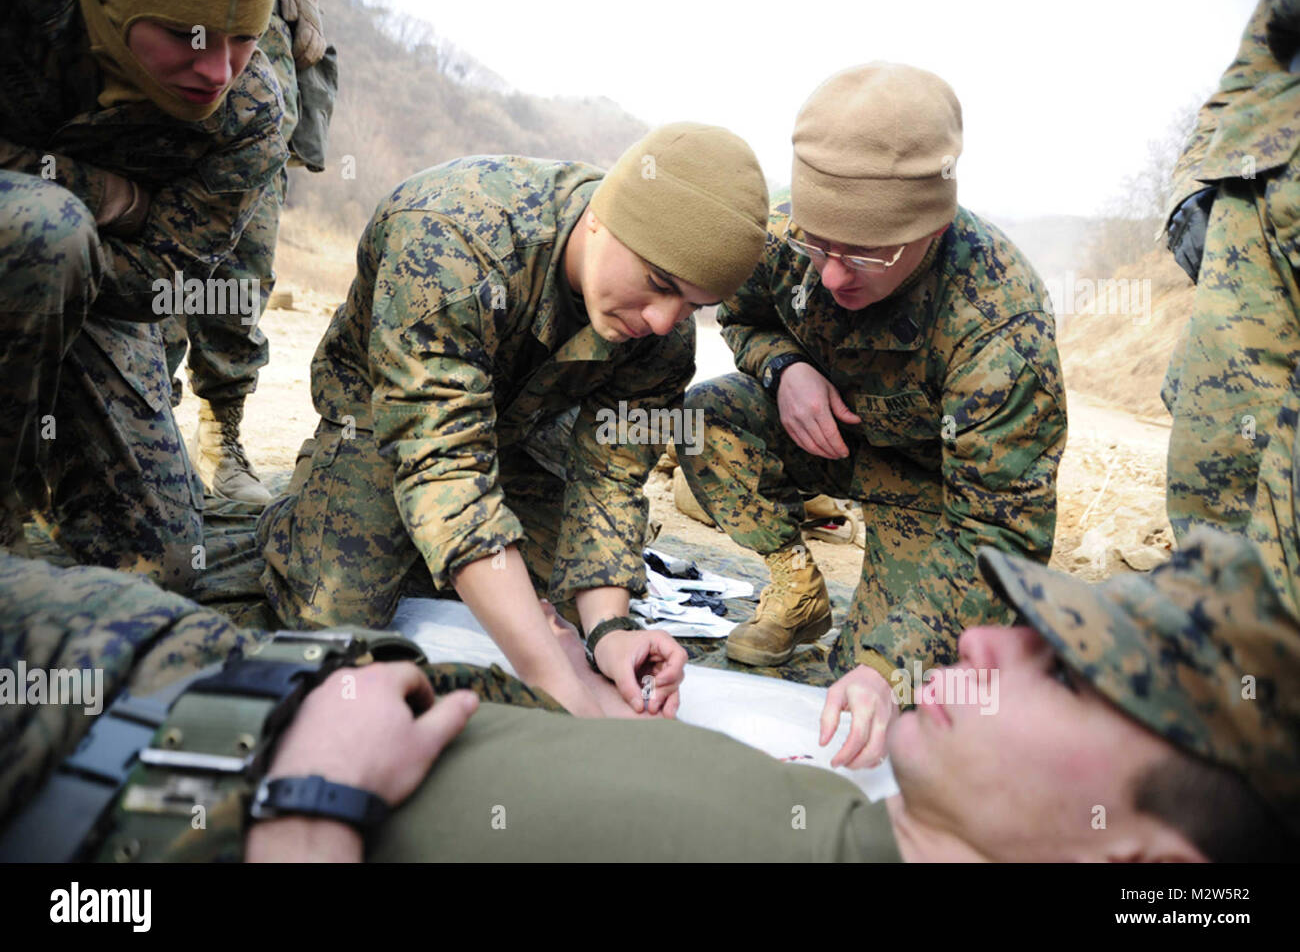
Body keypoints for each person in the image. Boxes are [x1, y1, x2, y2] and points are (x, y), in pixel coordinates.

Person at [5, 526, 1293, 862]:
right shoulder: (856, 823)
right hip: (172, 668)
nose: (975, 639)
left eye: (1063, 670)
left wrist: (309, 813)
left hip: (99, 799)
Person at [257, 123, 771, 717]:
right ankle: (304, 516)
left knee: (565, 597)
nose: (663, 320)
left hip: (520, 431)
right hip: (390, 423)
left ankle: (445, 559)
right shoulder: (451, 236)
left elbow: (610, 477)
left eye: (693, 305)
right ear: (604, 217)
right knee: (336, 623)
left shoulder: (663, 334)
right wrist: (553, 679)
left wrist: (609, 633)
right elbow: (442, 464)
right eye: (658, 284)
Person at [676, 63, 1067, 767]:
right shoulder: (784, 231)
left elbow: (1001, 534)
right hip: (828, 441)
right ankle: (796, 589)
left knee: (866, 697)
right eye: (817, 247)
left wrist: (892, 664)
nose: (829, 275)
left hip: (933, 495)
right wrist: (782, 368)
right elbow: (741, 312)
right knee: (705, 416)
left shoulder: (1000, 325)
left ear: (932, 225)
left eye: (861, 254)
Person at [0, 0, 289, 592]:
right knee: (45, 231)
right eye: (188, 36)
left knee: (162, 566)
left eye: (243, 40)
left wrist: (70, 251)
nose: (217, 72)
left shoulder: (249, 108)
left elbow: (160, 280)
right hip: (42, 246)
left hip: (87, 295)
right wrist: (110, 197)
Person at [164, 0, 339, 505]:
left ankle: (220, 437)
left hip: (262, 46)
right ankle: (149, 420)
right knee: (164, 267)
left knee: (244, 272)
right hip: (173, 36)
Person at [1161, 0, 1300, 620]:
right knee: (1215, 436)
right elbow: (1258, 51)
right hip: (1262, 183)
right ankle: (1231, 657)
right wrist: (1192, 187)